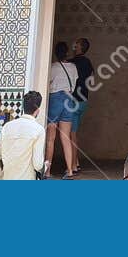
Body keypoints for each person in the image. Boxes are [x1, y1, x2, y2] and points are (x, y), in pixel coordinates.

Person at [44, 42, 81, 178]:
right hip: (69, 99)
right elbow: (75, 82)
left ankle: (47, 171)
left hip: (55, 99)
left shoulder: (53, 67)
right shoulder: (73, 67)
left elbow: (48, 84)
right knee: (66, 137)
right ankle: (70, 170)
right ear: (67, 53)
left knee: (50, 138)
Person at [0, 92, 46, 181]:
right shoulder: (39, 130)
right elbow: (38, 164)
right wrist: (45, 167)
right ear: (37, 111)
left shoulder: (7, 127)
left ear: (23, 107)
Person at [69, 38, 94, 159]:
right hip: (83, 100)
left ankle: (73, 165)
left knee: (71, 134)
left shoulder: (72, 63)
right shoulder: (88, 63)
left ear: (80, 47)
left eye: (77, 43)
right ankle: (76, 163)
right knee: (73, 132)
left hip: (74, 101)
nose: (74, 44)